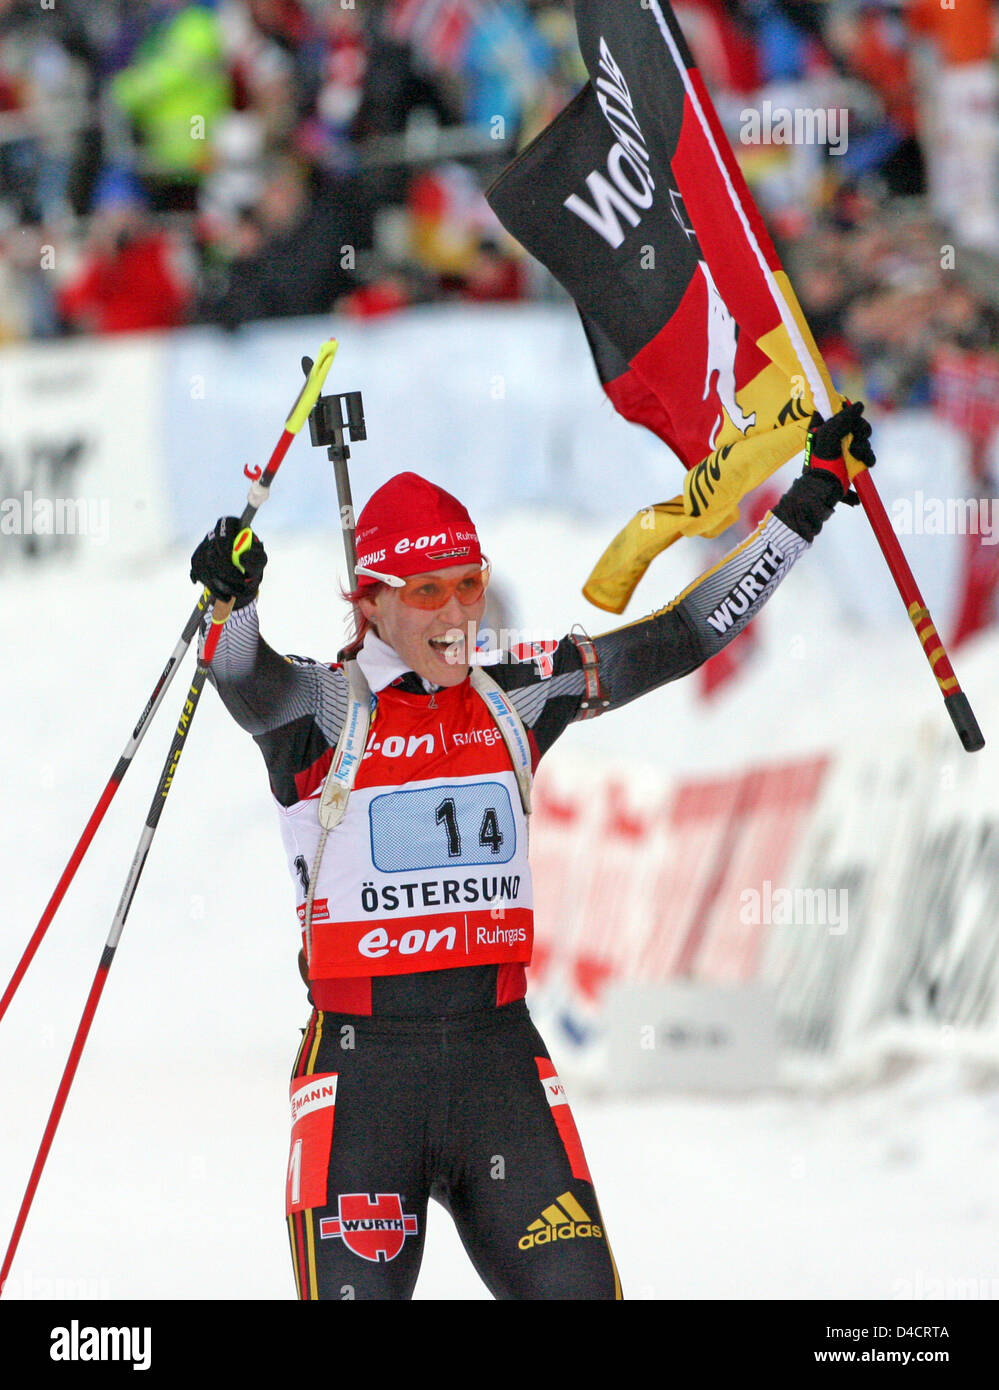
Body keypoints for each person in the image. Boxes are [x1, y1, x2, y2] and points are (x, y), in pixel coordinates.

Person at [190, 400, 875, 1301]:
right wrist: (232, 602)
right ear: (370, 600)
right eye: (427, 591)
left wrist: (810, 502)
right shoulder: (326, 710)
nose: (455, 614)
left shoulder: (519, 697)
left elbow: (680, 638)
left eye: (468, 585)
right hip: (362, 1077)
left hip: (496, 1065)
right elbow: (243, 676)